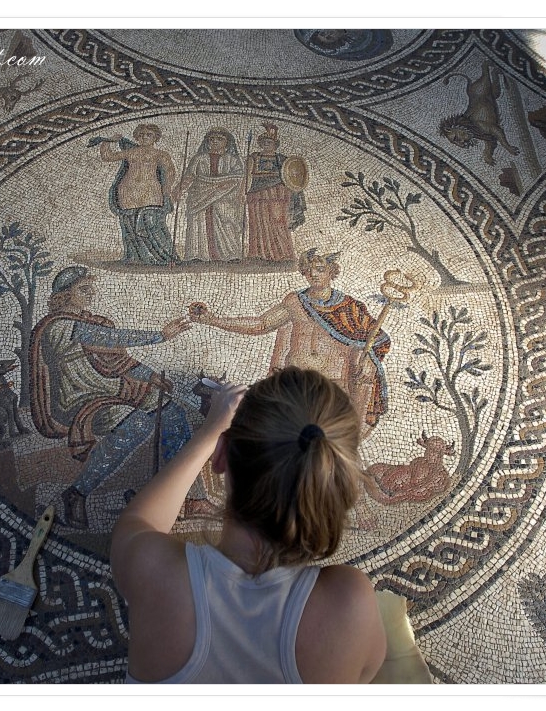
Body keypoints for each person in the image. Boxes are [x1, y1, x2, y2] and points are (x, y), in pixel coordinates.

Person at [110, 367, 388, 683]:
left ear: (221, 456)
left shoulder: (156, 570)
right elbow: (367, 672)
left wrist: (211, 432)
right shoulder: (350, 603)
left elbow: (138, 522)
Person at [28, 266, 206, 528]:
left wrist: (148, 375)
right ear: (64, 295)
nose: (91, 293)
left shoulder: (88, 321)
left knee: (172, 412)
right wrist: (159, 336)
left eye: (91, 287)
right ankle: (76, 494)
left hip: (110, 389)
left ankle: (182, 494)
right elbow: (109, 339)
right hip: (80, 399)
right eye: (83, 289)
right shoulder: (57, 326)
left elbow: (114, 361)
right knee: (138, 423)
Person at [189, 249, 391, 436]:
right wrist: (212, 320)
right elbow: (261, 324)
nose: (313, 274)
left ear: (332, 271)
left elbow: (379, 339)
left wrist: (369, 360)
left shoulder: (350, 308)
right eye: (308, 270)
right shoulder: (295, 301)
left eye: (320, 269)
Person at [97, 123, 179, 265]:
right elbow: (107, 156)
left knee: (152, 223)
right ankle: (136, 258)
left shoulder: (160, 154)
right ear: (136, 137)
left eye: (149, 135)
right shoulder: (131, 152)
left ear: (155, 137)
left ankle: (165, 256)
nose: (144, 137)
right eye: (141, 135)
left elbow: (170, 171)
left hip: (150, 191)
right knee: (129, 224)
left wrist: (167, 188)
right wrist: (108, 141)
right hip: (128, 191)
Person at [174, 127, 245, 261]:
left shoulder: (232, 159)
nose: (215, 142)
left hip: (225, 196)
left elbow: (239, 178)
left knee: (226, 222)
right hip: (199, 195)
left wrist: (237, 192)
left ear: (227, 142)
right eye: (211, 139)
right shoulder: (199, 158)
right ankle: (197, 254)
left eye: (219, 139)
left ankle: (230, 254)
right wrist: (179, 189)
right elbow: (189, 176)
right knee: (198, 222)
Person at [243, 122, 306, 262]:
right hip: (257, 194)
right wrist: (243, 191)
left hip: (278, 194)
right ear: (260, 143)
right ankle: (258, 254)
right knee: (257, 223)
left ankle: (283, 253)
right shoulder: (253, 157)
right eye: (264, 142)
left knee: (278, 222)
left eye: (270, 142)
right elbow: (246, 175)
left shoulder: (283, 160)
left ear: (275, 144)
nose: (267, 144)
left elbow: (292, 176)